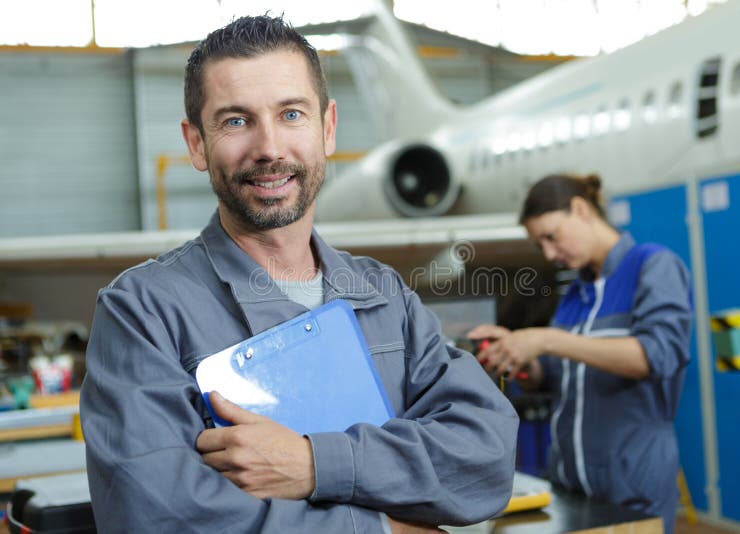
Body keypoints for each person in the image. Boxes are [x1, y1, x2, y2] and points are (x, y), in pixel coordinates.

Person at [79, 14, 518, 533]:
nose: (269, 148)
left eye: (291, 114)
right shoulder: (143, 311)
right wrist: (385, 527)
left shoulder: (382, 295)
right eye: (235, 121)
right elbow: (157, 516)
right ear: (196, 144)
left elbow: (484, 457)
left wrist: (312, 464)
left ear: (327, 128)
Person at [468, 173, 691, 533]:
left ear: (580, 209)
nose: (550, 254)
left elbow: (654, 356)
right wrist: (522, 359)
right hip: (571, 483)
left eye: (551, 236)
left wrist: (545, 340)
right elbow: (559, 373)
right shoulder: (576, 293)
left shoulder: (653, 267)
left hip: (632, 483)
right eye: (540, 245)